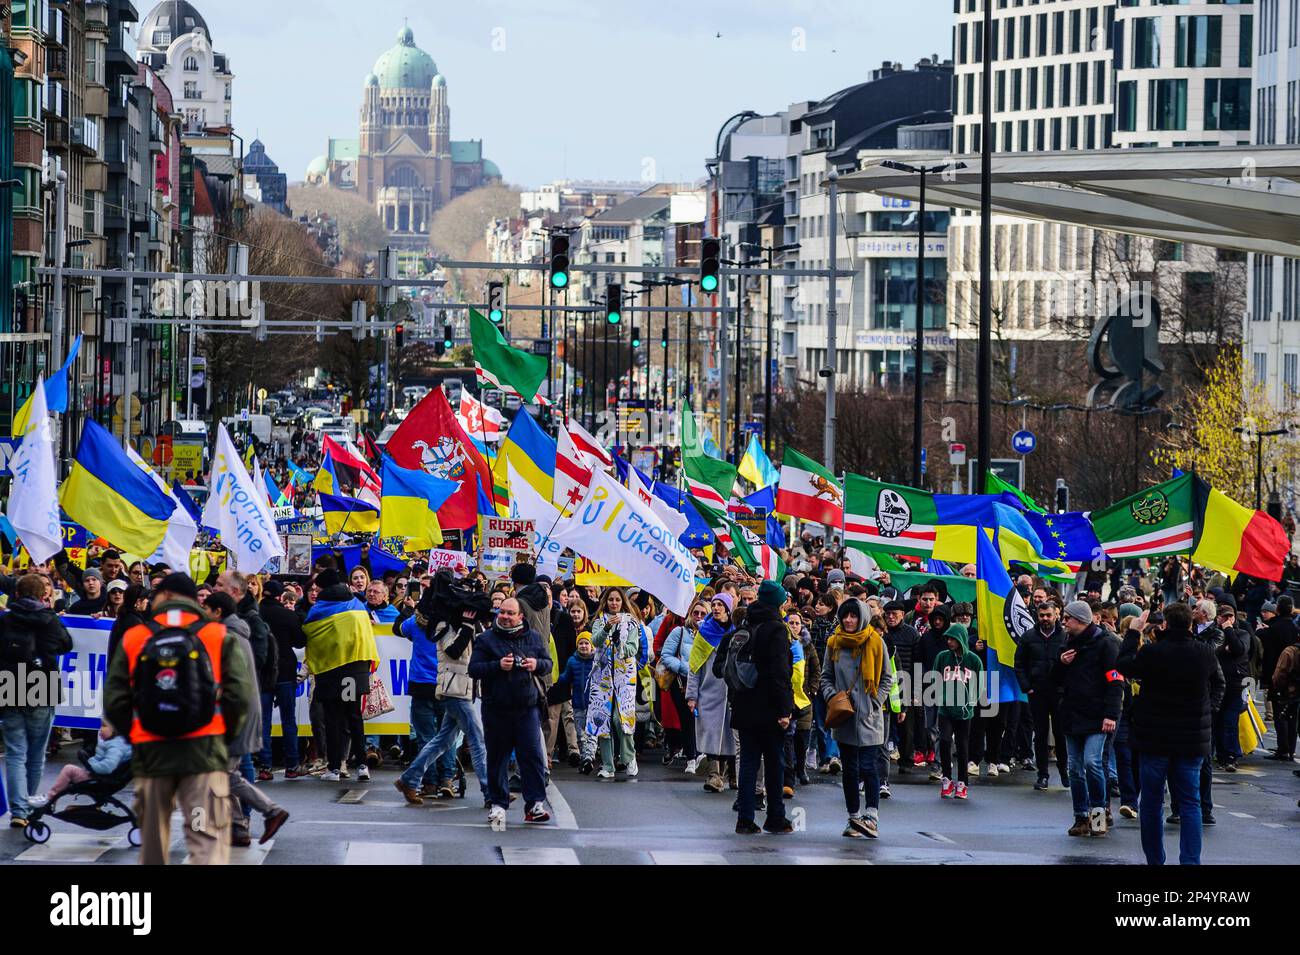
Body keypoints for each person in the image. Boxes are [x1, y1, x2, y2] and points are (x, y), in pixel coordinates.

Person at [105, 573, 254, 864]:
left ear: (165, 597)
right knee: (204, 836)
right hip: (203, 752)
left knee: (154, 838)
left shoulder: (137, 636)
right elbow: (239, 695)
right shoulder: (216, 635)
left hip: (153, 753)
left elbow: (114, 698)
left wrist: (136, 733)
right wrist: (223, 736)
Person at [1118, 602, 1224, 865]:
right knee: (1190, 803)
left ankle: (1155, 859)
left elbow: (1124, 665)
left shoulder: (1153, 653)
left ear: (1165, 623)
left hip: (1154, 738)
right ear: (1191, 624)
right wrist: (1207, 711)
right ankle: (1190, 860)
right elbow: (1219, 683)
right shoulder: (1205, 653)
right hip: (1191, 738)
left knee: (1152, 803)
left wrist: (1133, 633)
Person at [204, 591, 291, 847]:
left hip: (234, 716)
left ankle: (271, 811)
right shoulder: (236, 634)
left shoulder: (227, 637)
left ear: (218, 612)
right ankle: (239, 827)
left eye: (206, 610)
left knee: (222, 774)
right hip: (239, 713)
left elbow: (226, 682)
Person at [396, 587, 492, 805]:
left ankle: (409, 779)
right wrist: (467, 626)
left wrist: (473, 624)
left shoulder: (463, 625)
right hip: (452, 689)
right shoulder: (442, 625)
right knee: (477, 740)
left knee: (442, 740)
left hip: (462, 688)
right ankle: (491, 791)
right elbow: (453, 651)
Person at [468, 596, 553, 828]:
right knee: (497, 758)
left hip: (527, 708)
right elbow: (473, 669)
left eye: (509, 613)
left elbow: (548, 664)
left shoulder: (534, 637)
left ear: (520, 616)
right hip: (496, 708)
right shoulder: (486, 639)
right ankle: (498, 804)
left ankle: (535, 804)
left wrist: (536, 665)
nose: (504, 617)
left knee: (532, 757)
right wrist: (498, 666)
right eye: (502, 612)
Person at [719, 580, 794, 835]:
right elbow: (779, 673)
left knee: (749, 763)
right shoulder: (776, 629)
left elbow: (723, 666)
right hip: (770, 707)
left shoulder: (744, 624)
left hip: (743, 703)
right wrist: (785, 709)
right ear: (778, 602)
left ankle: (745, 818)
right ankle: (775, 817)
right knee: (774, 763)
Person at [0, 574, 74, 827]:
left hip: (10, 684)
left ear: (17, 594)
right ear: (43, 595)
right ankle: (29, 804)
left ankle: (18, 810)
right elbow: (66, 645)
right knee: (36, 751)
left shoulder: (6, 618)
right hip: (42, 686)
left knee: (15, 752)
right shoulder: (49, 618)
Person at [820, 598, 892, 838]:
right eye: (845, 616)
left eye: (853, 616)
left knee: (869, 767)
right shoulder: (834, 643)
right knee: (850, 769)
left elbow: (886, 679)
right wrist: (833, 697)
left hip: (870, 716)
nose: (848, 620)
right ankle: (853, 818)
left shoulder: (876, 641)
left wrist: (874, 702)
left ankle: (871, 816)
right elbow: (825, 677)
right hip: (845, 715)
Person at [1053, 600, 1125, 837]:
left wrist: (1111, 714)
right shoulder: (1066, 643)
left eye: (1067, 618)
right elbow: (1055, 679)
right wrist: (1061, 664)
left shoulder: (1106, 644)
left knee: (1092, 763)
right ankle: (1080, 816)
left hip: (1097, 715)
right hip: (1072, 714)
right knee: (1074, 768)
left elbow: (1115, 681)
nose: (1064, 622)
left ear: (1081, 620)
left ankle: (1099, 812)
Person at [301, 571, 380, 782]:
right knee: (354, 716)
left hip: (330, 670)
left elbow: (309, 633)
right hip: (356, 666)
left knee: (333, 719)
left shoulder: (319, 609)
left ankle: (334, 768)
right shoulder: (357, 605)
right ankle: (362, 765)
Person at [1015, 597, 1070, 791]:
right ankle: (1043, 774)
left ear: (1057, 615)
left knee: (1061, 733)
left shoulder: (1066, 637)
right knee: (1040, 734)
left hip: (1059, 693)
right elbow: (1019, 664)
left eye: (1048, 615)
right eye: (1041, 615)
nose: (1045, 618)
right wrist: (1026, 686)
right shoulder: (1029, 637)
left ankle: (1064, 771)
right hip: (1037, 692)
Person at [587, 588, 642, 778]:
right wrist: (607, 628)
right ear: (605, 601)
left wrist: (620, 645)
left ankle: (629, 757)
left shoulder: (631, 622)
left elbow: (633, 648)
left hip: (624, 676)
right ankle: (608, 765)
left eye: (617, 599)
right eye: (610, 599)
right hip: (602, 676)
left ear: (622, 602)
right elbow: (595, 641)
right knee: (603, 719)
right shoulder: (599, 621)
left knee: (622, 719)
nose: (614, 603)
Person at [687, 594, 737, 793]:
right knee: (711, 733)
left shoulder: (737, 632)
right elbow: (694, 667)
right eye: (714, 604)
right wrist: (692, 696)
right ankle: (714, 774)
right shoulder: (703, 633)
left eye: (720, 605)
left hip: (733, 692)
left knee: (731, 735)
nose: (716, 608)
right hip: (708, 692)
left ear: (728, 608)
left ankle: (732, 774)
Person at [258, 580, 305, 779]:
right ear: (280, 597)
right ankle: (292, 765)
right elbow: (299, 641)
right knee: (288, 719)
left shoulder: (255, 615)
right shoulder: (288, 615)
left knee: (264, 721)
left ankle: (265, 766)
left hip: (261, 672)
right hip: (285, 670)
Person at [931, 621, 982, 800]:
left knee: (962, 745)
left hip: (965, 710)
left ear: (960, 639)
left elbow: (979, 683)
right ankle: (946, 778)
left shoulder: (973, 660)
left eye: (952, 639)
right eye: (948, 639)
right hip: (945, 708)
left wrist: (972, 702)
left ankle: (962, 782)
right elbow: (935, 677)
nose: (949, 642)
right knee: (944, 741)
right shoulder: (942, 657)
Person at [27, 719, 131, 807]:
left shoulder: (115, 747)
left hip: (99, 780)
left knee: (69, 769)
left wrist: (91, 765)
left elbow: (107, 766)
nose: (100, 730)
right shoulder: (117, 744)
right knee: (72, 771)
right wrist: (90, 761)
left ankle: (50, 797)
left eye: (104, 726)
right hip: (103, 779)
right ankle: (54, 797)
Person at [660, 598, 709, 773]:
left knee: (703, 720)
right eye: (696, 612)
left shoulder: (710, 633)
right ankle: (691, 758)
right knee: (688, 720)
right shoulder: (679, 632)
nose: (699, 616)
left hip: (705, 684)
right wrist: (685, 668)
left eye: (703, 613)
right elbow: (666, 655)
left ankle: (703, 754)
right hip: (682, 683)